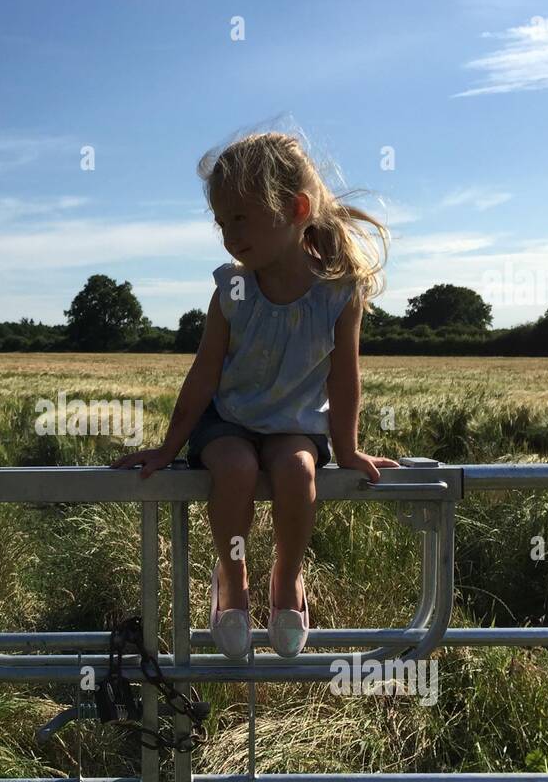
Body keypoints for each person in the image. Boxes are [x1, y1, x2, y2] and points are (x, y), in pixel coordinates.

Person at [112, 128, 399, 659]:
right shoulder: (233, 289)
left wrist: (350, 447)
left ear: (295, 208)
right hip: (229, 419)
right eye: (222, 222)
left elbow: (344, 377)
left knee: (297, 471)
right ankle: (232, 580)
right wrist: (168, 447)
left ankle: (287, 580)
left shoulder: (337, 292)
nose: (229, 234)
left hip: (296, 423)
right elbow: (203, 373)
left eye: (241, 218)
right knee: (236, 468)